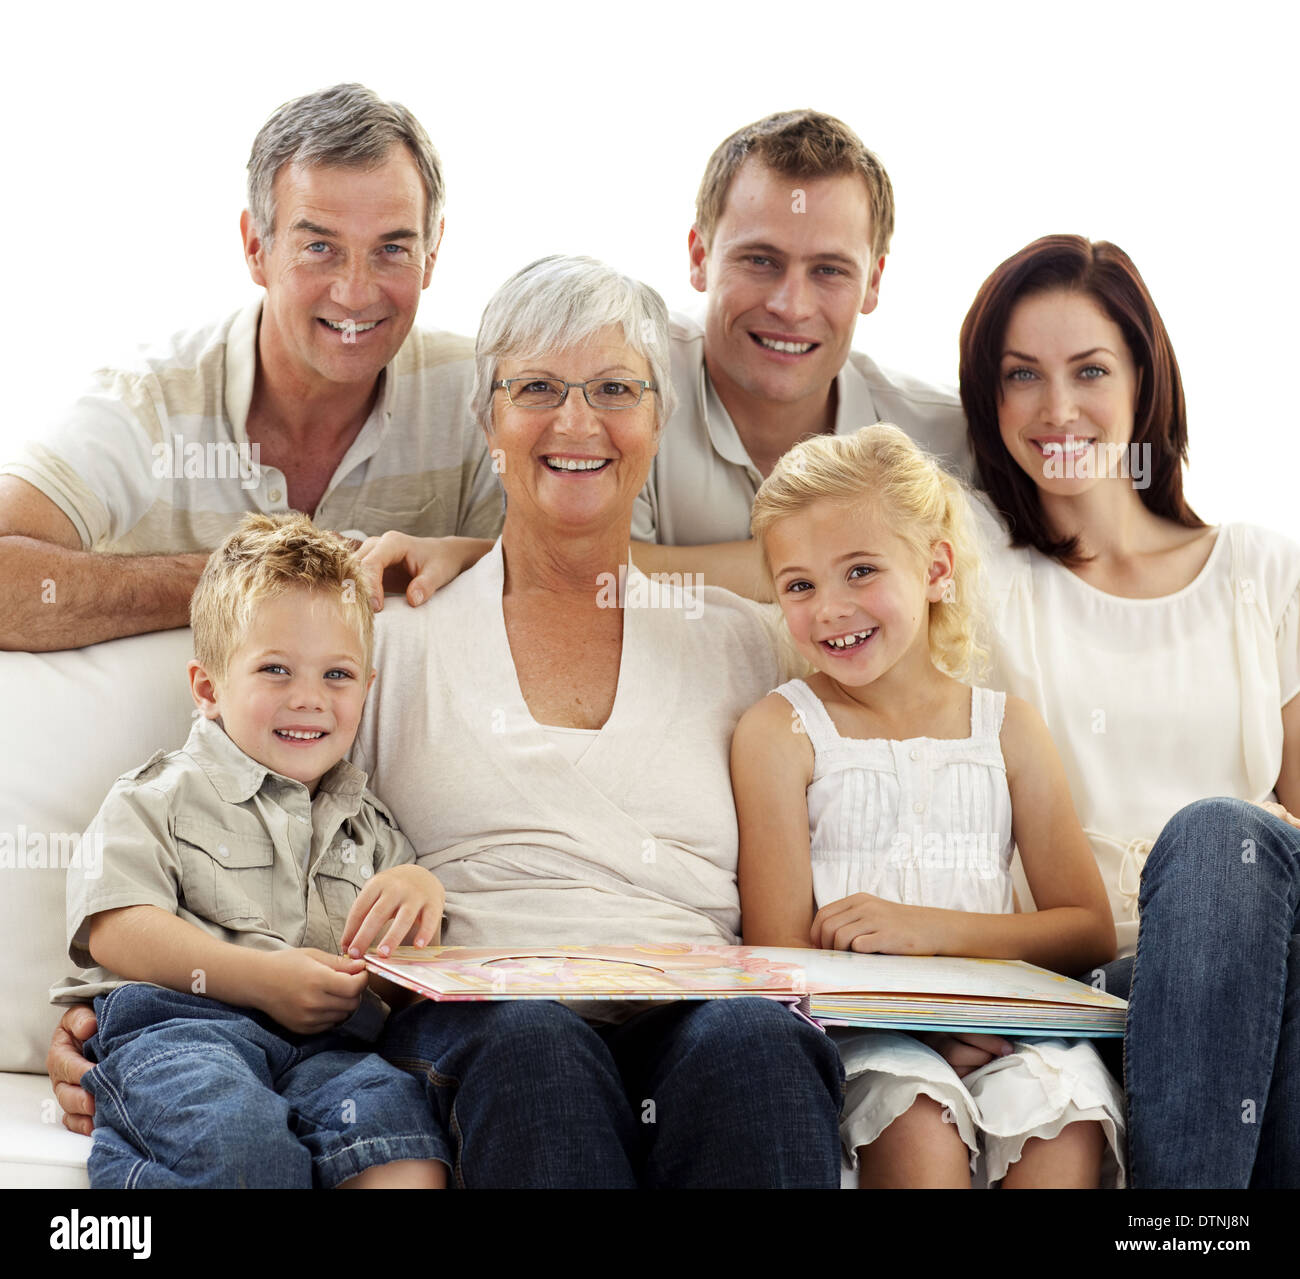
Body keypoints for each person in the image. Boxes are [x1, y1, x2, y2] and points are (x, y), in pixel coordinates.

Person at [49, 255, 846, 1185]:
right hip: (484, 1009)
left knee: (757, 1042)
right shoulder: (390, 634)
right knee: (537, 1048)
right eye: (536, 387)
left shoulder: (747, 643)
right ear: (488, 420)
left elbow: (869, 585)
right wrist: (149, 1026)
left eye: (615, 388)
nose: (577, 420)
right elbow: (264, 830)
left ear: (659, 418)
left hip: (694, 999)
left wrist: (939, 1019)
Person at [958, 234, 1300, 1188]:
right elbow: (793, 548)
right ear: (989, 400)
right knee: (1220, 839)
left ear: (1145, 383)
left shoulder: (1263, 572)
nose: (1057, 408)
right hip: (1093, 979)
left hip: (1259, 957)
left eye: (1090, 370)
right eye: (1021, 375)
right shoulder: (984, 588)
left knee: (1231, 853)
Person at [359, 110, 971, 606]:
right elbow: (599, 575)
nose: (790, 304)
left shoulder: (944, 433)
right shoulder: (624, 384)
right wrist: (861, 560)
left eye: (830, 270)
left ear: (874, 282)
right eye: (760, 260)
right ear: (699, 256)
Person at [733, 423, 1123, 1187]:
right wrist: (920, 1026)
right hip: (866, 1038)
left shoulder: (1007, 727)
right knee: (916, 1124)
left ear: (936, 568)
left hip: (1005, 1034)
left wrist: (925, 934)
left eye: (861, 570)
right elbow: (777, 955)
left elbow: (1086, 927)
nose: (831, 607)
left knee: (1062, 1120)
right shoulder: (780, 730)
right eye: (799, 584)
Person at [0, 83, 500, 652]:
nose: (356, 293)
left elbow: (593, 580)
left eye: (392, 249)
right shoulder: (151, 403)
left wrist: (471, 557)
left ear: (431, 254)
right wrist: (263, 580)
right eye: (319, 247)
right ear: (256, 248)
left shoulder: (486, 394)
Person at [50, 512, 450, 1187]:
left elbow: (397, 978)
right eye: (275, 669)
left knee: (403, 1143)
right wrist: (260, 979)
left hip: (332, 1053)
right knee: (241, 1145)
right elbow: (115, 926)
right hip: (182, 1030)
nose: (308, 699)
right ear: (208, 688)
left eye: (337, 675)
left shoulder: (371, 826)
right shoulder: (163, 793)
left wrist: (419, 893)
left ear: (368, 689)